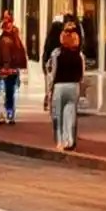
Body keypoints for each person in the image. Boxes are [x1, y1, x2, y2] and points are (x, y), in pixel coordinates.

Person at [46, 21, 84, 151]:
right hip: (74, 86)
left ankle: (60, 141)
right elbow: (82, 73)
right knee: (70, 114)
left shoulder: (57, 53)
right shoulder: (79, 55)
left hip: (59, 86)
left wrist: (49, 89)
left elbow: (53, 71)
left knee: (58, 116)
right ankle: (70, 140)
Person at [0, 11, 27, 124]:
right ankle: (8, 113)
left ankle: (7, 113)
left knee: (7, 92)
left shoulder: (9, 39)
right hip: (9, 70)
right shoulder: (10, 38)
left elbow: (13, 54)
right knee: (8, 93)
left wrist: (7, 67)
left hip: (8, 70)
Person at [41, 19, 64, 112]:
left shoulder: (49, 39)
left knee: (49, 85)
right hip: (57, 66)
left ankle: (48, 100)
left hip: (49, 65)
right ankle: (53, 103)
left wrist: (44, 65)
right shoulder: (60, 41)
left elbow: (45, 53)